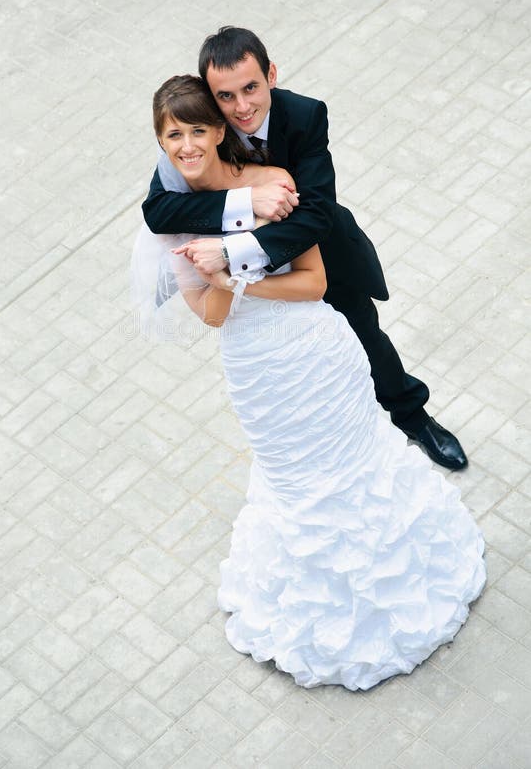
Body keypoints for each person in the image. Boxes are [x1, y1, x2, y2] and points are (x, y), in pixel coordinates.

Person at [133, 73, 485, 691]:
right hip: (257, 370)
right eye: (172, 135)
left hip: (315, 343)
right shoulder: (171, 210)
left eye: (197, 130)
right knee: (294, 479)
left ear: (222, 126)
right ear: (161, 140)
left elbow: (313, 275)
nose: (186, 144)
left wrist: (234, 266)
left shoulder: (280, 166)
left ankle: (416, 420)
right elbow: (212, 316)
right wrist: (202, 272)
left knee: (360, 432)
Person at [142, 26, 468, 472]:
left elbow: (316, 215)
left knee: (368, 340)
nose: (241, 108)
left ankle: (414, 417)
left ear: (271, 74)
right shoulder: (197, 130)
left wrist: (235, 255)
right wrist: (246, 201)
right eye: (226, 96)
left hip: (323, 257)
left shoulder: (306, 115)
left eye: (251, 88)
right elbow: (158, 212)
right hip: (257, 301)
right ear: (209, 96)